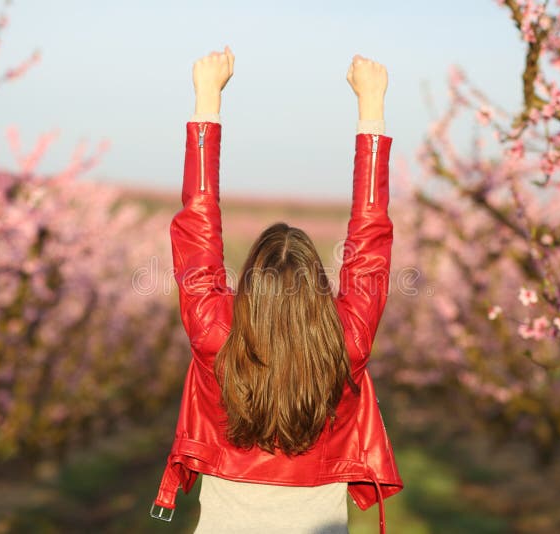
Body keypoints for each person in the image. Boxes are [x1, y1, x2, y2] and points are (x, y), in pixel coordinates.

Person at [152, 46, 402, 534]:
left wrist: (207, 100)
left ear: (249, 283)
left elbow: (196, 231)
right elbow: (370, 242)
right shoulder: (345, 342)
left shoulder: (214, 333)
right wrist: (371, 108)